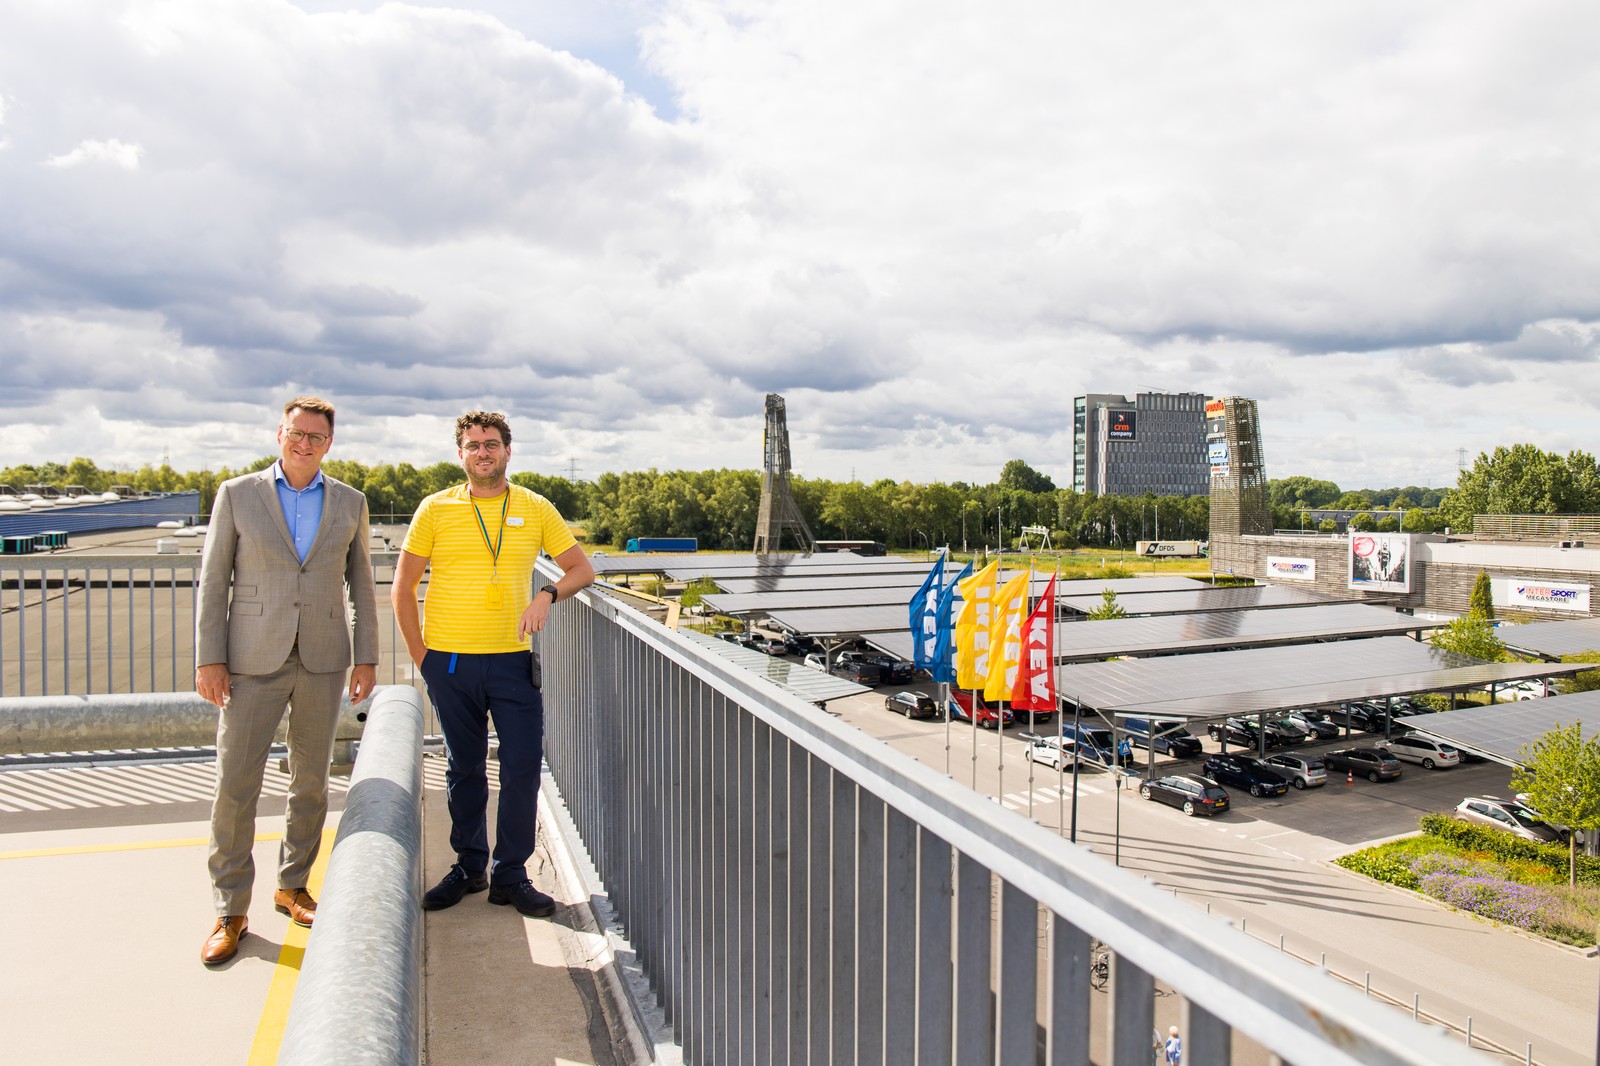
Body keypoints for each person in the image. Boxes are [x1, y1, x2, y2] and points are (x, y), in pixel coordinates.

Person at [195, 396, 378, 965]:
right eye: (296, 434)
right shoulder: (237, 494)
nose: (304, 444)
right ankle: (230, 909)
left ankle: (291, 883)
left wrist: (367, 656)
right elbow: (212, 581)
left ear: (329, 444)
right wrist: (210, 658)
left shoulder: (350, 502)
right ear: (280, 433)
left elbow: (362, 583)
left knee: (311, 781)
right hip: (250, 659)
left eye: (316, 437)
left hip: (323, 659)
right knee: (235, 785)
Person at [393, 410, 594, 917]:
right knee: (464, 770)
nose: (483, 451)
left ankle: (511, 874)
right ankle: (469, 866)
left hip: (511, 662)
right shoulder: (434, 509)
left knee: (523, 767)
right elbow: (402, 589)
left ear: (508, 450)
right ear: (460, 454)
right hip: (451, 663)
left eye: (492, 443)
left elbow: (581, 569)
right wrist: (424, 658)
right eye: (473, 444)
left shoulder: (536, 507)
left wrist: (547, 594)